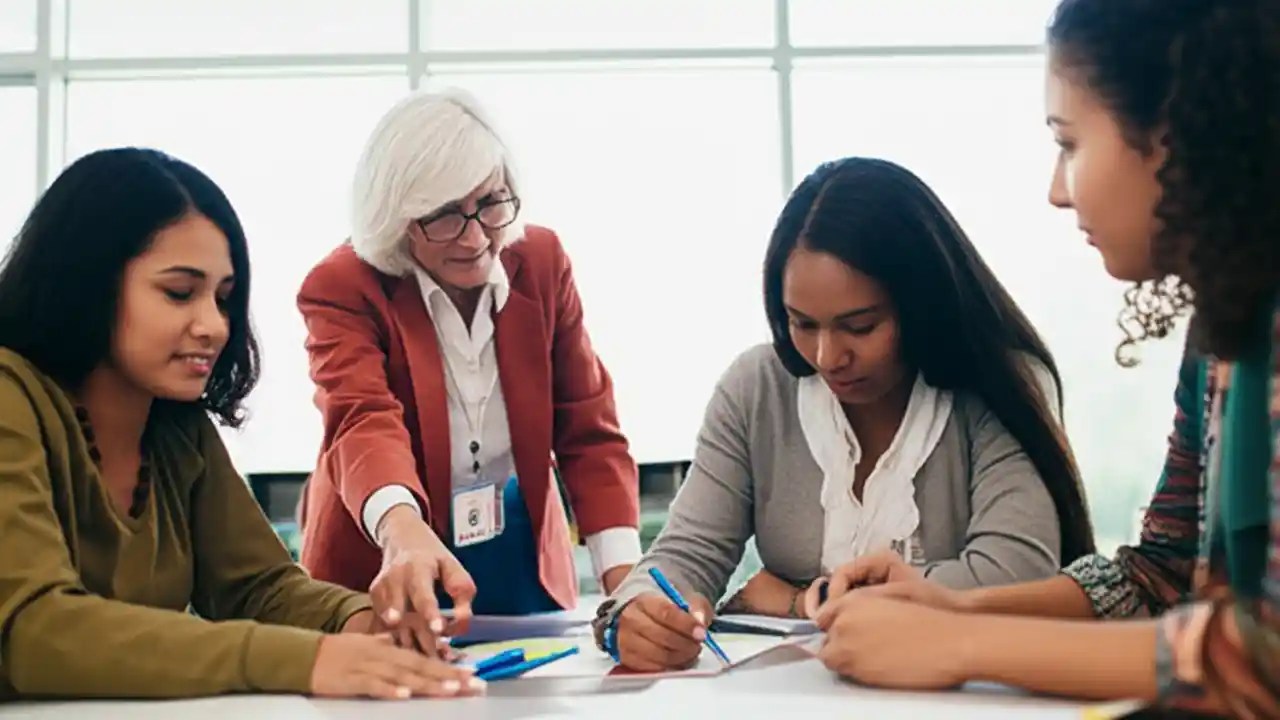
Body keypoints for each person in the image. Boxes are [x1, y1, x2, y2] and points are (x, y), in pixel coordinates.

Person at [811, 1, 1280, 715]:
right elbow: (1159, 574)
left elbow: (1264, 656)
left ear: (1175, 133)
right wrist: (951, 611)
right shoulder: (1224, 327)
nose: (1057, 191)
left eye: (1068, 143)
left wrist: (959, 647)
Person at [0, 148, 482, 700]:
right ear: (87, 281)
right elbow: (32, 628)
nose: (213, 325)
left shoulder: (178, 429)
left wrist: (376, 630)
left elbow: (259, 589)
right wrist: (308, 659)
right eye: (179, 293)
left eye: (224, 299)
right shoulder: (10, 396)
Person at [592, 156, 1095, 673]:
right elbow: (684, 554)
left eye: (860, 326)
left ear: (922, 305)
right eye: (801, 324)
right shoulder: (756, 387)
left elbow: (1015, 579)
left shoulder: (1001, 385)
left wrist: (802, 599)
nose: (828, 356)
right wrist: (633, 618)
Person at [297, 88, 641, 647]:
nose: (477, 237)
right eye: (444, 217)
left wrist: (627, 582)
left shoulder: (542, 262)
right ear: (398, 216)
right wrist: (401, 529)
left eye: (491, 204)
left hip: (518, 555)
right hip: (387, 556)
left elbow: (588, 428)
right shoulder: (344, 285)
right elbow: (361, 419)